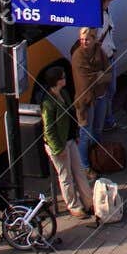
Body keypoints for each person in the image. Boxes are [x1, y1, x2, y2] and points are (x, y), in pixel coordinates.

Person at [37, 67, 92, 219]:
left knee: (79, 171)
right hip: (59, 145)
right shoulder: (48, 102)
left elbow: (71, 115)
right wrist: (57, 148)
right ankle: (74, 206)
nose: (65, 79)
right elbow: (48, 129)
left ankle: (89, 201)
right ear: (57, 81)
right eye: (63, 77)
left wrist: (75, 134)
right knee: (66, 176)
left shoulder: (64, 93)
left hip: (69, 139)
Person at [69, 26, 111, 165]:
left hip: (101, 95)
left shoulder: (99, 51)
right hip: (85, 100)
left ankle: (96, 158)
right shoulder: (78, 56)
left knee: (98, 129)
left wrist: (101, 76)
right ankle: (85, 165)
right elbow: (85, 80)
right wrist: (99, 75)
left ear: (93, 39)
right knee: (85, 133)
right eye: (82, 39)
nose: (84, 42)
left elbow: (109, 73)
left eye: (87, 39)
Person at [97, 0, 119, 129]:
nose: (110, 2)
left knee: (111, 90)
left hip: (110, 56)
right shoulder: (95, 17)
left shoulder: (105, 11)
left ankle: (108, 119)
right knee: (105, 92)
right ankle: (106, 121)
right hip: (103, 60)